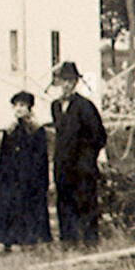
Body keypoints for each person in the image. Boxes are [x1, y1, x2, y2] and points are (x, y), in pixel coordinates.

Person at [48, 61, 107, 245]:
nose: (66, 85)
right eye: (63, 80)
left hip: (82, 168)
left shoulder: (85, 106)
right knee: (64, 204)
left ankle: (90, 243)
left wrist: (86, 158)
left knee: (86, 204)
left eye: (70, 81)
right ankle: (68, 242)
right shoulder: (55, 107)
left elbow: (99, 136)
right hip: (63, 166)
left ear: (75, 83)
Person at [0, 91, 52, 252]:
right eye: (16, 105)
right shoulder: (10, 130)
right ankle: (8, 242)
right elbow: (4, 157)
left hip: (30, 178)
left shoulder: (36, 131)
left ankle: (30, 242)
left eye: (22, 105)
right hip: (11, 177)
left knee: (29, 209)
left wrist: (41, 180)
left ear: (29, 108)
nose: (19, 109)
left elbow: (41, 158)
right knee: (9, 207)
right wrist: (0, 179)